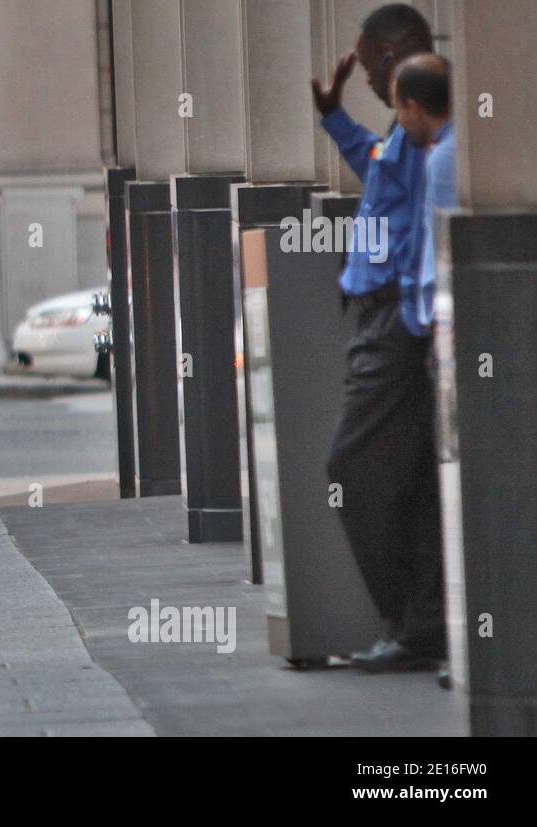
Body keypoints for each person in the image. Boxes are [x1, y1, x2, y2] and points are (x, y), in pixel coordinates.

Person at [313, 4, 443, 673]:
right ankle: (422, 624)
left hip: (393, 323)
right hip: (377, 318)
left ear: (396, 57)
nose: (363, 78)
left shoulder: (427, 136)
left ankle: (413, 619)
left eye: (367, 66)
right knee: (408, 478)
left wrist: (417, 330)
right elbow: (377, 171)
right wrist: (333, 114)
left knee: (354, 467)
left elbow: (422, 235)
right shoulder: (404, 130)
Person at [392, 54, 453, 337]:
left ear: (414, 107)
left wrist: (430, 312)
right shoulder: (446, 150)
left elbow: (439, 243)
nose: (400, 122)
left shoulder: (443, 157)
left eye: (399, 110)